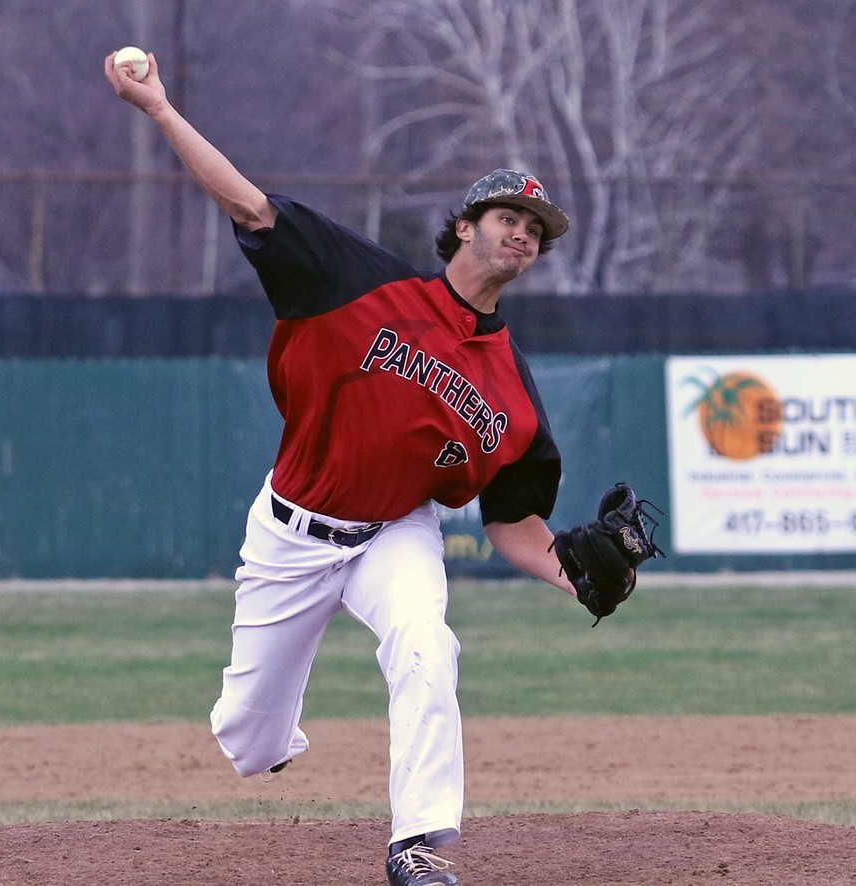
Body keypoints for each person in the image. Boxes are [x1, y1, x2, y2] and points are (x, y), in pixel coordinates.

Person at [107, 50, 582, 886]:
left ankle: (418, 845)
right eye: (509, 216)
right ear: (465, 225)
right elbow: (247, 204)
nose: (523, 233)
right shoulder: (356, 282)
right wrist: (159, 112)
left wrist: (577, 577)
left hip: (395, 531)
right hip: (292, 529)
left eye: (537, 230)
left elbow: (513, 524)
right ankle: (273, 737)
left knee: (427, 647)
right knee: (248, 743)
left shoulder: (514, 393)